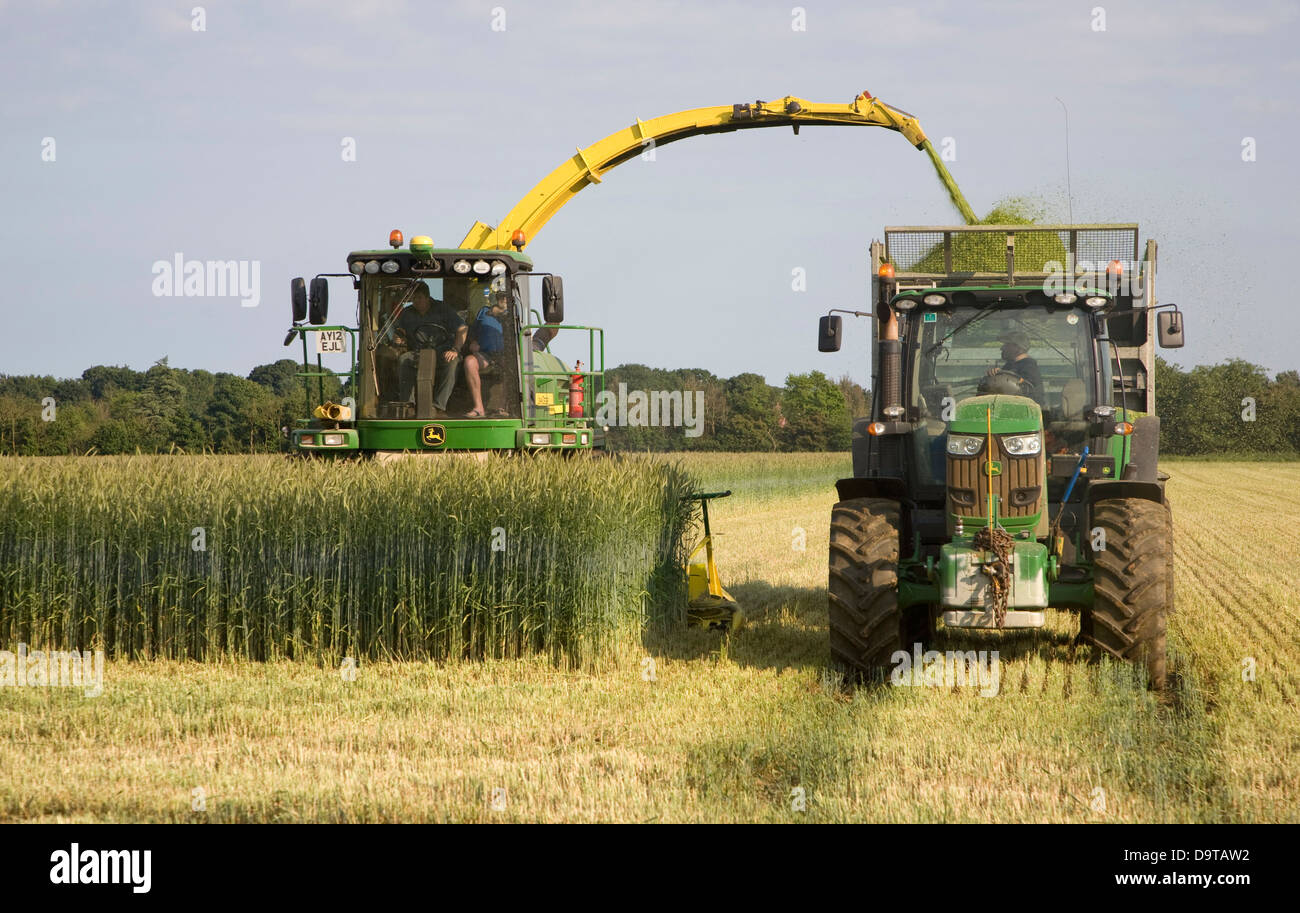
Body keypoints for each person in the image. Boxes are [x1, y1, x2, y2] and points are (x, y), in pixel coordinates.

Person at [394, 285, 466, 414]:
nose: (416, 301)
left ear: (428, 297)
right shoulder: (407, 313)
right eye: (414, 298)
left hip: (443, 351)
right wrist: (399, 338)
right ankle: (408, 404)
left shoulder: (443, 309)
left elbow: (462, 328)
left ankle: (438, 406)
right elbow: (400, 331)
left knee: (452, 362)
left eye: (419, 298)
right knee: (404, 359)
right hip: (418, 352)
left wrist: (455, 349)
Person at [464, 290, 510, 417]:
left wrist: (503, 313)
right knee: (469, 362)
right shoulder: (484, 311)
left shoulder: (514, 315)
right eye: (501, 296)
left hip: (506, 355)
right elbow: (473, 331)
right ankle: (479, 408)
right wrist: (473, 342)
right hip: (485, 355)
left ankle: (502, 407)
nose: (504, 299)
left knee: (514, 365)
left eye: (507, 296)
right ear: (495, 298)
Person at [985, 331, 1043, 398]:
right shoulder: (1010, 365)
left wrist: (1002, 376)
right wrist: (996, 375)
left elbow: (1022, 391)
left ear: (1018, 348)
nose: (1001, 348)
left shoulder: (1029, 367)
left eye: (1006, 345)